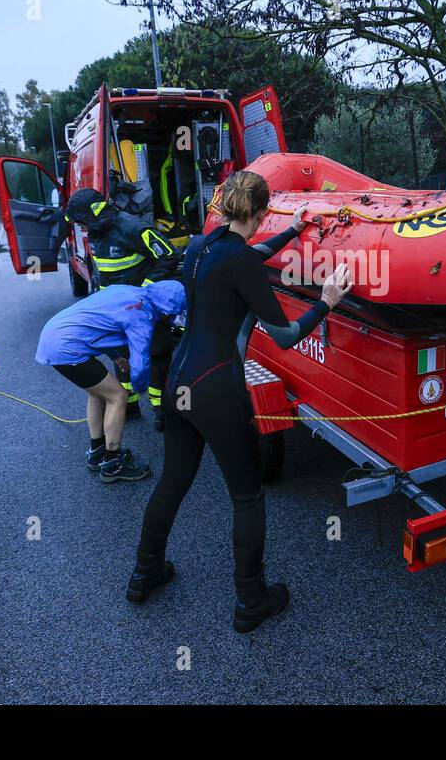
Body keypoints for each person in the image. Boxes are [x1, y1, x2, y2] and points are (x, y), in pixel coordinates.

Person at [126, 170, 353, 633]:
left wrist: (294, 230)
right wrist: (327, 300)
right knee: (247, 497)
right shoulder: (240, 262)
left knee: (172, 483)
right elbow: (287, 336)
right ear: (258, 212)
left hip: (178, 384)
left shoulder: (199, 246)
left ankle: (144, 574)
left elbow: (246, 258)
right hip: (217, 391)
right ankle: (252, 600)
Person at [36, 278, 187, 483]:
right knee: (118, 396)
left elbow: (101, 319)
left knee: (96, 393)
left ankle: (97, 450)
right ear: (167, 311)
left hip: (54, 334)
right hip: (67, 347)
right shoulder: (141, 315)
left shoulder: (127, 291)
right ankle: (113, 463)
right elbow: (141, 361)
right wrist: (139, 386)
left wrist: (115, 355)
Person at [63, 185, 180, 428]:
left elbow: (168, 254)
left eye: (82, 222)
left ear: (95, 214)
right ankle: (129, 405)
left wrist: (144, 293)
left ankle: (163, 412)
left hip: (145, 309)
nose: (80, 228)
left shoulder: (133, 228)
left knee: (156, 355)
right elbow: (104, 273)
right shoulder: (96, 232)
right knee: (122, 357)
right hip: (116, 313)